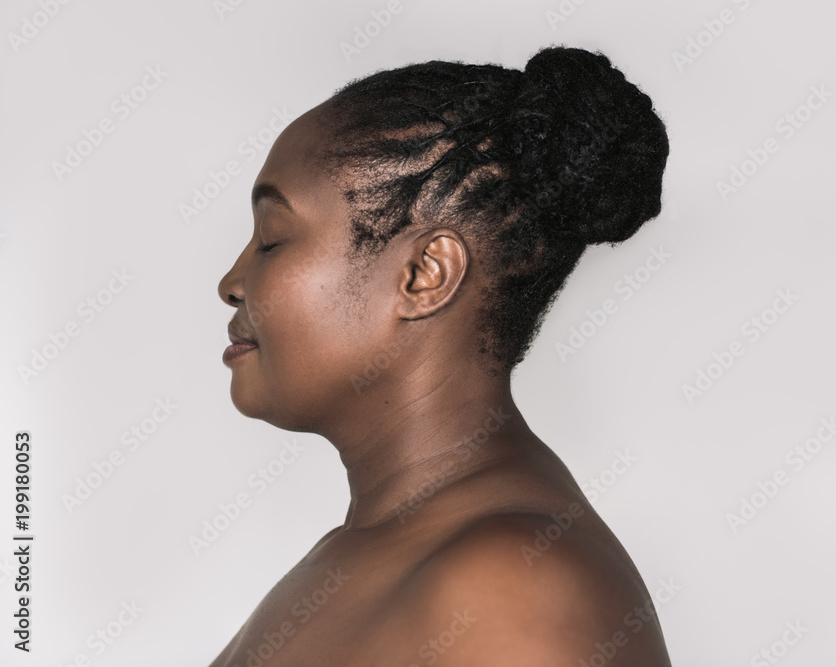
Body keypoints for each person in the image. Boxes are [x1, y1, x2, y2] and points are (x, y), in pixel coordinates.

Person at [213, 45, 671, 666]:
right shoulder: (362, 552)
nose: (232, 282)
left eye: (271, 240)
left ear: (424, 275)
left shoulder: (514, 583)